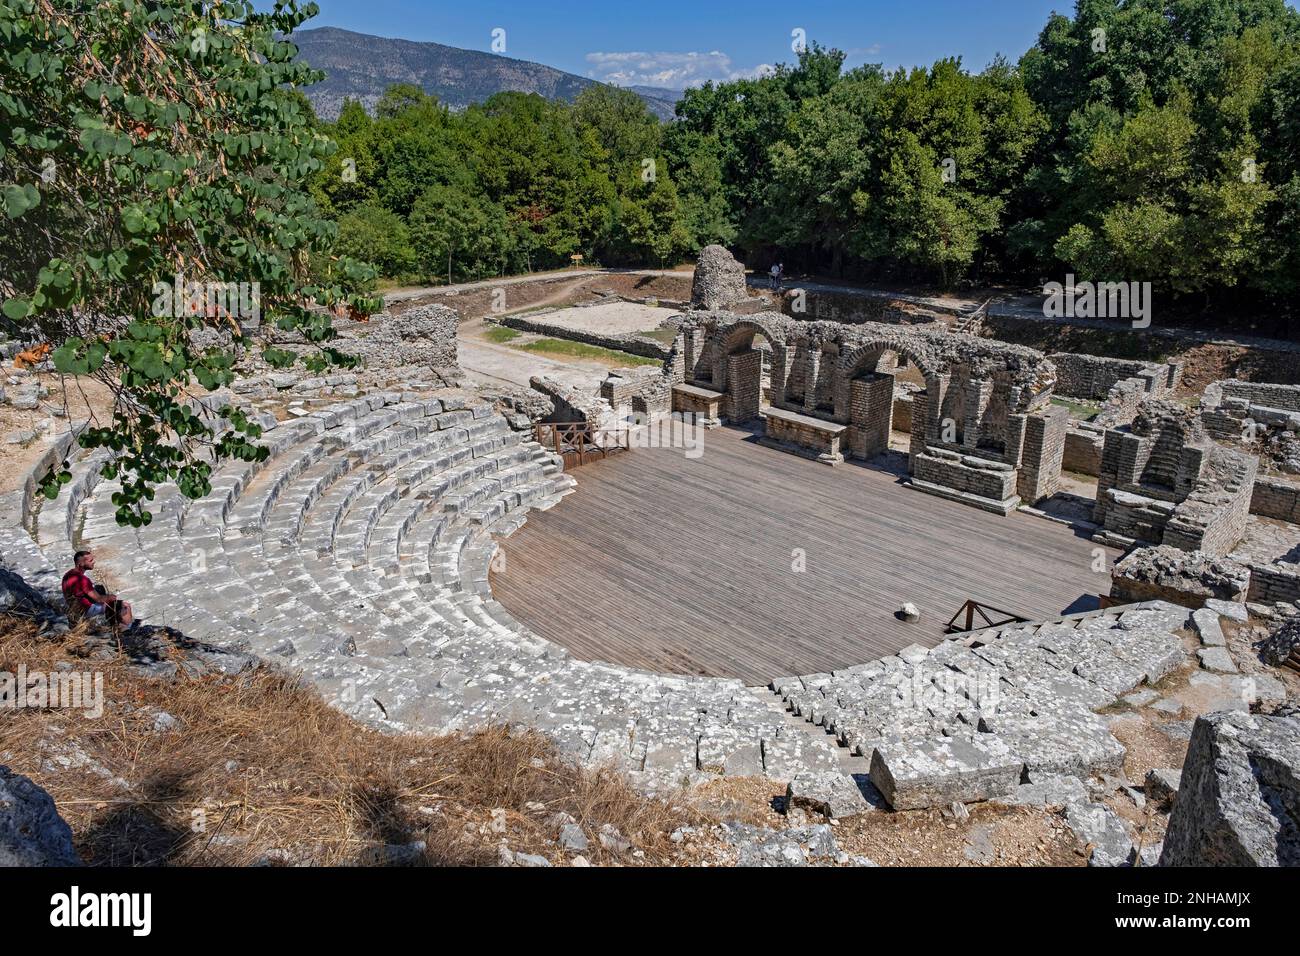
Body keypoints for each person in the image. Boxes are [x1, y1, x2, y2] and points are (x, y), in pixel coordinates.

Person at [62, 550, 134, 630]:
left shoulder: (68, 574)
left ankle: (116, 623)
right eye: (90, 560)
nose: (94, 562)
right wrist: (111, 597)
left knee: (100, 590)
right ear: (81, 564)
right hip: (87, 609)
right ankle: (128, 629)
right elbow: (99, 599)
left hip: (74, 607)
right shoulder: (83, 580)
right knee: (125, 606)